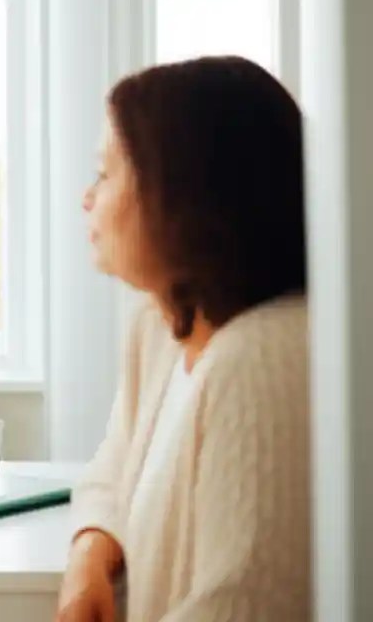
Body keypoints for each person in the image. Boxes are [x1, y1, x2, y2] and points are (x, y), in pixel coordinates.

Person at [56, 56, 310, 621]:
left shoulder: (264, 357)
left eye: (107, 172)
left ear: (184, 191)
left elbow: (243, 604)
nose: (87, 197)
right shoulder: (162, 327)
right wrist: (89, 558)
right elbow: (112, 468)